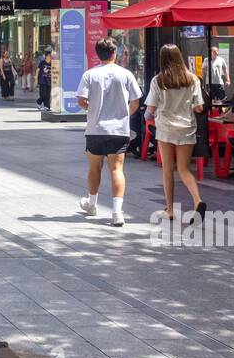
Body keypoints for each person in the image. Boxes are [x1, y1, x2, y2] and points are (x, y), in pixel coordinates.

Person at [75, 38, 143, 226]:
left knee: (94, 167)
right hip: (119, 130)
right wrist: (124, 115)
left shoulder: (90, 74)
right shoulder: (126, 74)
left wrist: (92, 107)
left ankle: (92, 203)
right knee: (117, 169)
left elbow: (81, 100)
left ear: (98, 54)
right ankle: (116, 212)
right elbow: (136, 101)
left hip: (95, 129)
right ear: (115, 54)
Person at [144, 43, 206, 224]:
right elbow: (199, 107)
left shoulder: (158, 80)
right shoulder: (192, 79)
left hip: (165, 129)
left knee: (167, 170)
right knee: (184, 169)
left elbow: (151, 109)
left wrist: (147, 115)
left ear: (162, 59)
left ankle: (170, 210)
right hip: (186, 128)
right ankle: (197, 200)